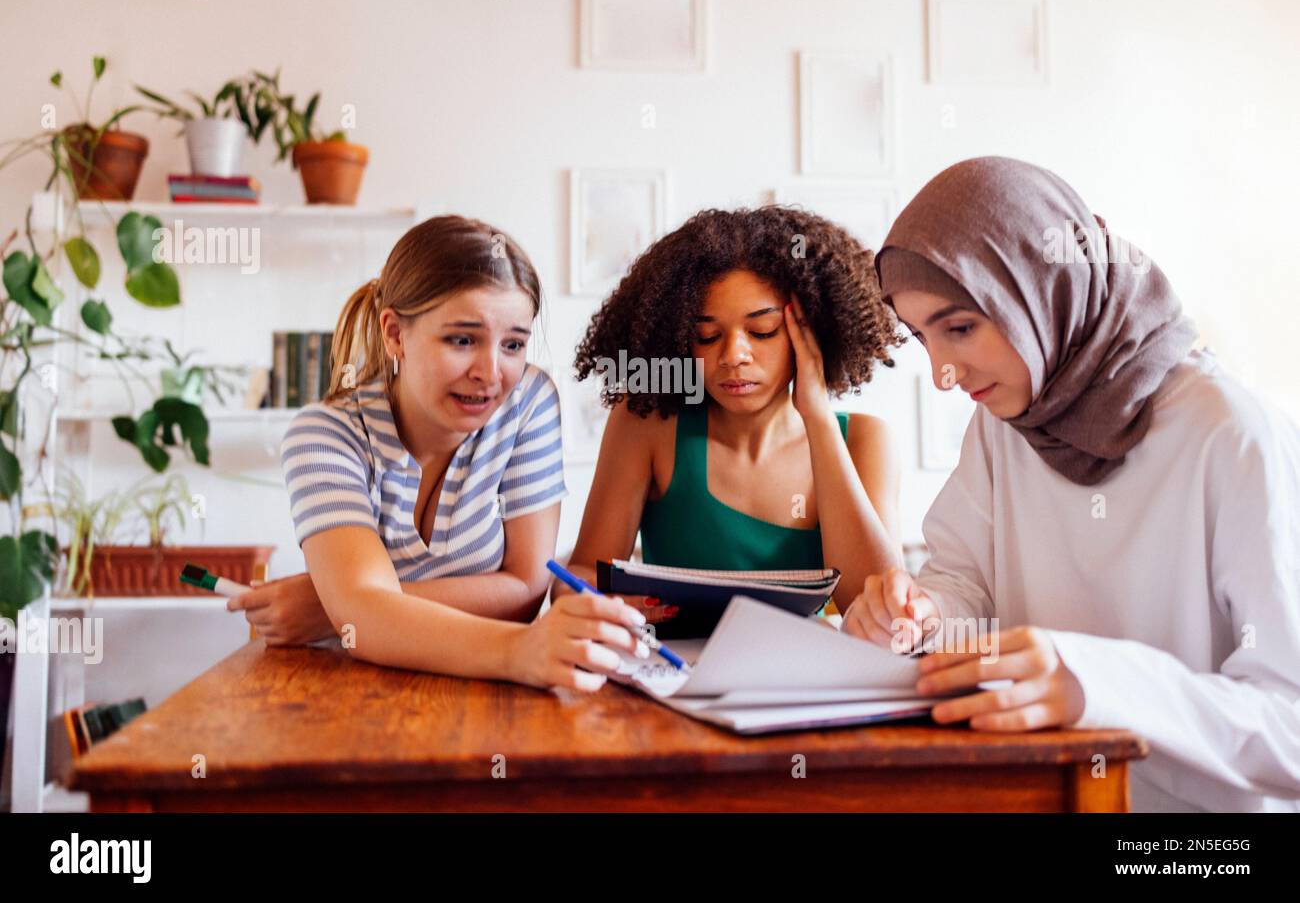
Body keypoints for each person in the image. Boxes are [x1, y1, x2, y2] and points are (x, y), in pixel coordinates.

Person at [843, 155, 1300, 811]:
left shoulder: (1231, 435)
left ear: (1041, 288)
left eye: (961, 327)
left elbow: (1291, 725)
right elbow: (967, 583)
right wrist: (919, 617)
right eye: (923, 339)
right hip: (1052, 800)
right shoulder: (1005, 423)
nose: (944, 371)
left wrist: (1097, 684)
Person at [235, 215, 648, 693]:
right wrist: (356, 610)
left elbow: (527, 589)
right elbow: (363, 620)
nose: (491, 372)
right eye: (462, 340)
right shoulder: (327, 435)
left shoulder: (528, 401)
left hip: (487, 691)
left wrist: (335, 606)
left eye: (513, 344)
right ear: (394, 334)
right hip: (357, 693)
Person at [561, 206, 903, 620]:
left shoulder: (863, 440)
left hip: (799, 679)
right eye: (707, 336)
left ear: (813, 330)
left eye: (762, 331)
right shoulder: (646, 424)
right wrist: (589, 599)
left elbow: (883, 608)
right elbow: (577, 578)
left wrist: (817, 417)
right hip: (674, 674)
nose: (733, 356)